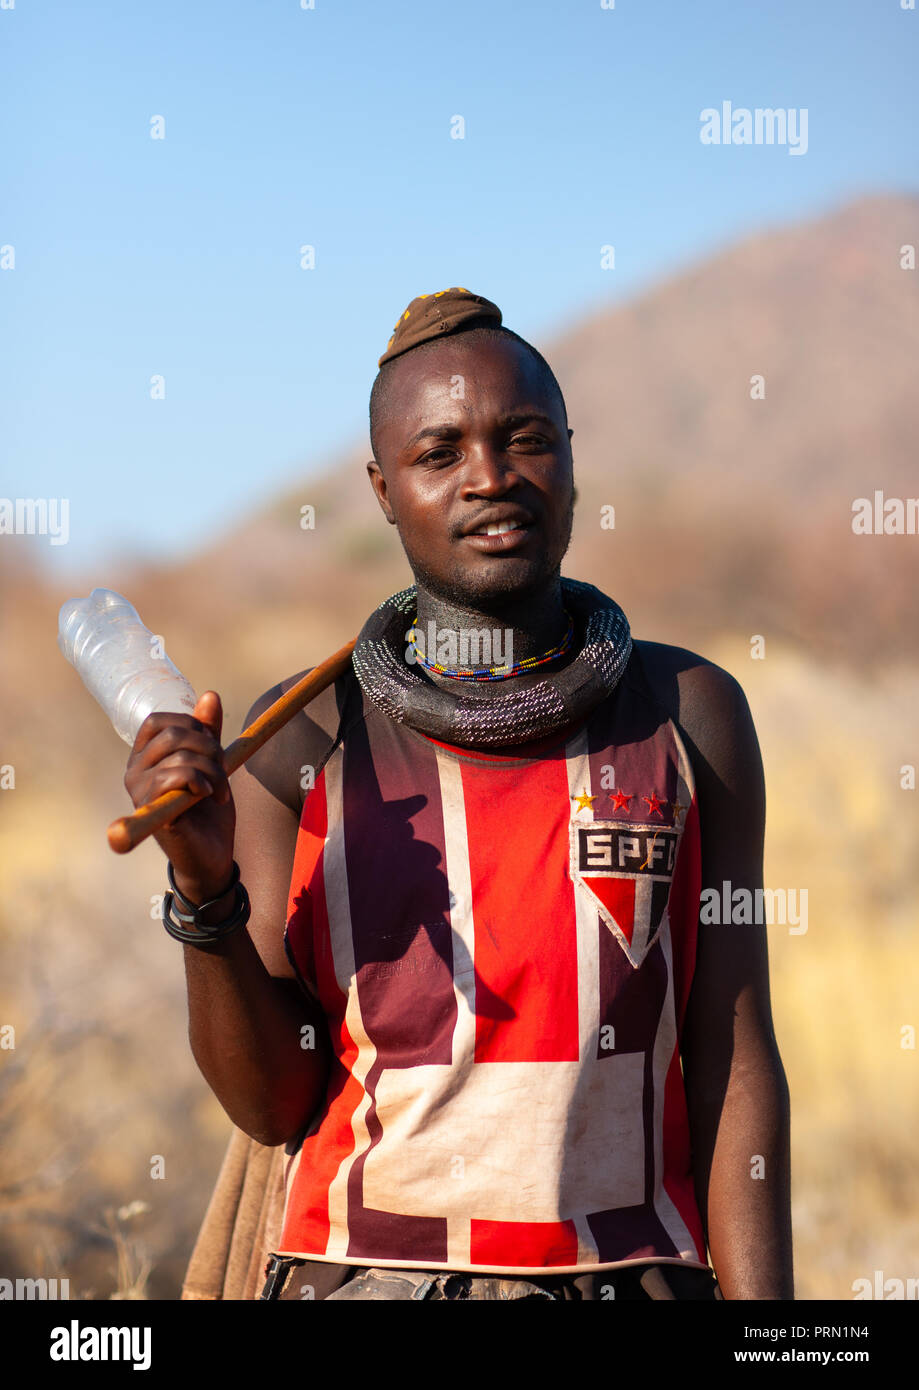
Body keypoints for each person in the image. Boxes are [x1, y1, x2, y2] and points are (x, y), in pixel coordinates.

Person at [126, 288, 793, 1301]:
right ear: (384, 489)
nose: (490, 478)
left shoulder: (685, 714)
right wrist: (203, 891)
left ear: (569, 456)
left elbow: (731, 1057)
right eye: (439, 454)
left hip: (622, 1278)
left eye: (523, 439)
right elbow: (271, 1104)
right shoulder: (304, 738)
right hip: (362, 1279)